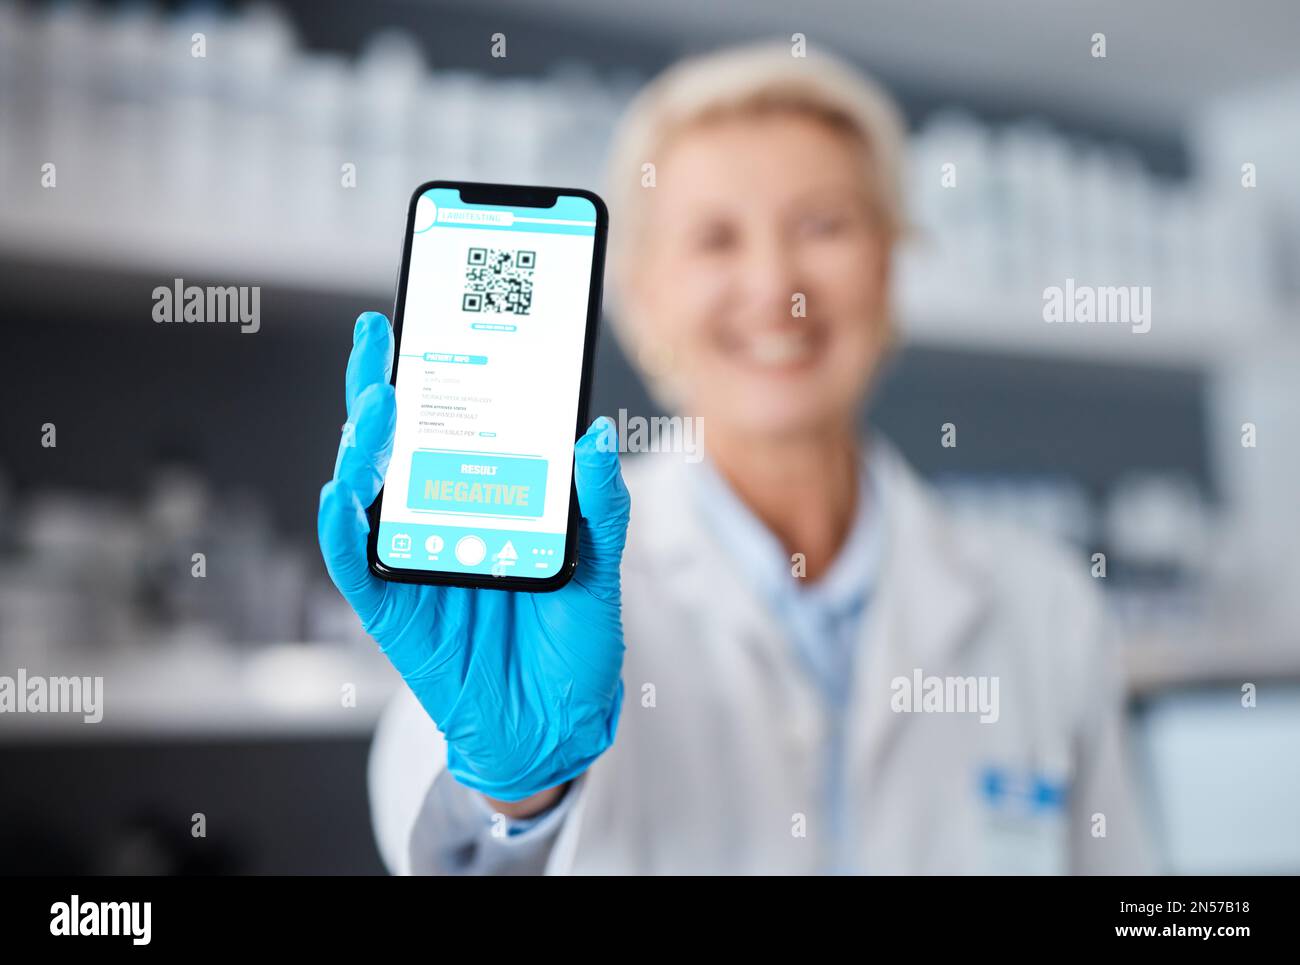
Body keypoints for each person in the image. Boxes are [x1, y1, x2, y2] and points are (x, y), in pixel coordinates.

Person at [320, 43, 1150, 874]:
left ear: (891, 264)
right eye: (716, 238)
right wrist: (514, 794)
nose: (774, 282)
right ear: (641, 293)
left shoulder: (1044, 608)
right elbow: (442, 846)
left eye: (823, 224)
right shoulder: (532, 581)